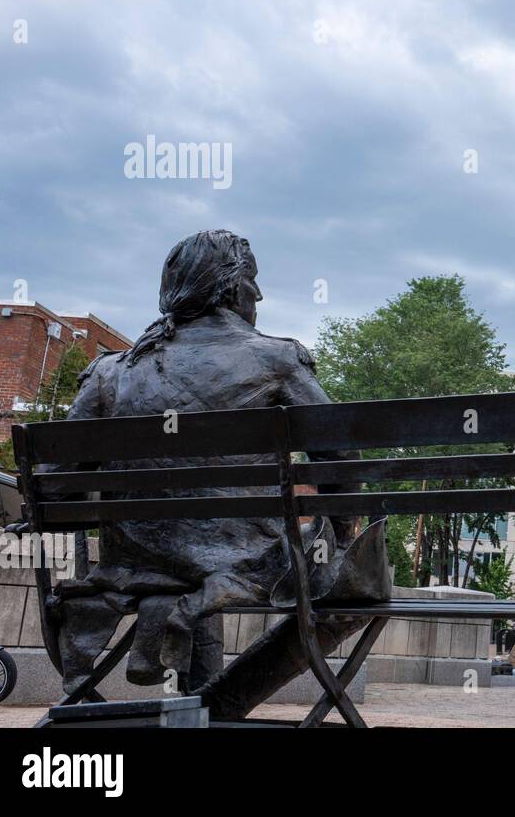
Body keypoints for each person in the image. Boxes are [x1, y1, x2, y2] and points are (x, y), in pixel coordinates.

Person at [50, 229, 388, 718]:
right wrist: (338, 530)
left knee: (201, 572)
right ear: (229, 288)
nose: (260, 294)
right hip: (245, 562)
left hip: (132, 567)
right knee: (358, 588)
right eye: (252, 281)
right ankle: (220, 707)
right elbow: (339, 460)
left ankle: (199, 711)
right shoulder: (277, 359)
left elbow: (56, 480)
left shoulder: (109, 371)